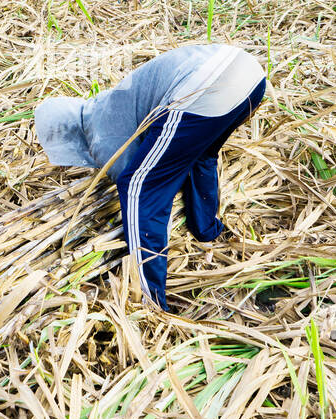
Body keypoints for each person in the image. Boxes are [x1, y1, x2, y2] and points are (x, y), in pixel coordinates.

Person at [34, 43, 266, 310]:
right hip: (249, 76)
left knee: (139, 187)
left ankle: (150, 297)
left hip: (207, 87)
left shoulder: (98, 129)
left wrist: (149, 186)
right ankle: (207, 230)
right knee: (201, 154)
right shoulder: (108, 102)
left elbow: (132, 176)